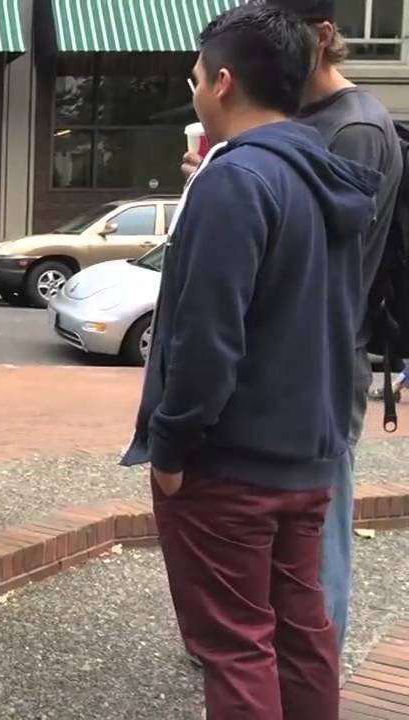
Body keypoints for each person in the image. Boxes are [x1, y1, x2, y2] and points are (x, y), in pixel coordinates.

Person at [125, 4, 381, 717]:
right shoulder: (325, 173)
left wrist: (171, 446)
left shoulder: (234, 180)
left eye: (197, 78)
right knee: (303, 636)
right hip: (307, 457)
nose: (196, 89)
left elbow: (207, 337)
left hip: (229, 464)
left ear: (225, 83)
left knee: (236, 647)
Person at [180, 0, 402, 654]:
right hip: (291, 358)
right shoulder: (297, 128)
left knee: (317, 528)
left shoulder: (356, 127)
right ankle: (275, 653)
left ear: (322, 37)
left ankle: (305, 655)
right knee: (284, 536)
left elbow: (333, 267)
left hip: (317, 358)